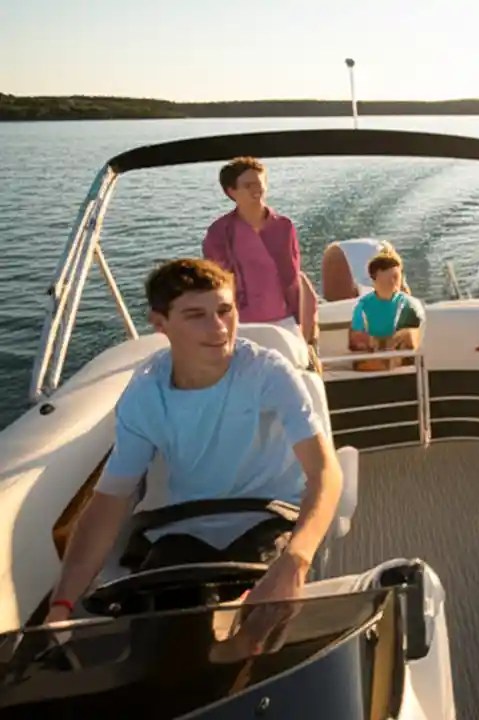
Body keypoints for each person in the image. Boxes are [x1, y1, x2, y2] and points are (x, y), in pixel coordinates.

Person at [43, 259, 343, 624]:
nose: (218, 327)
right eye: (196, 315)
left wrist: (296, 560)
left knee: (256, 624)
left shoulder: (268, 373)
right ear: (160, 324)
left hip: (271, 518)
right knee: (159, 628)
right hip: (183, 527)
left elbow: (324, 472)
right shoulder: (145, 393)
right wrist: (61, 604)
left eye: (225, 311)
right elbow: (110, 500)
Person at [202, 156, 319, 347]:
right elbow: (216, 281)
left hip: (285, 318)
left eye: (259, 183)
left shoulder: (284, 226)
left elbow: (293, 275)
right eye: (248, 185)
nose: (256, 189)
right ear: (231, 191)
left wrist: (307, 319)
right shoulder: (219, 232)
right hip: (241, 323)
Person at [349, 248, 422, 371]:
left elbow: (415, 337)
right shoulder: (363, 306)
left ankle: (389, 363)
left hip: (401, 354)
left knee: (408, 336)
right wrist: (378, 343)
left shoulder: (408, 304)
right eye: (389, 278)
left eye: (396, 277)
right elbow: (355, 340)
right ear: (375, 279)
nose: (393, 282)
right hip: (375, 354)